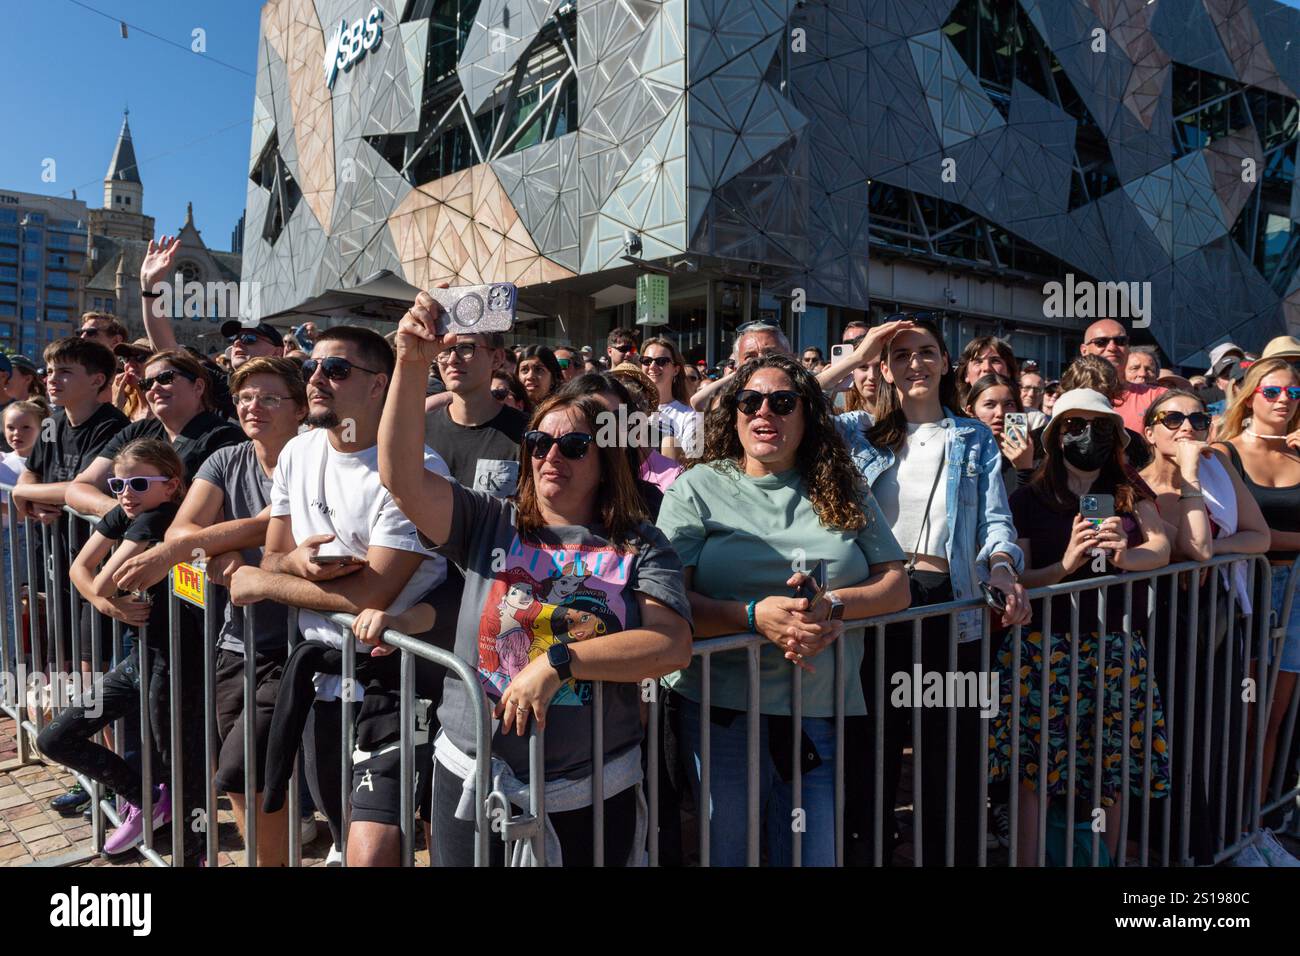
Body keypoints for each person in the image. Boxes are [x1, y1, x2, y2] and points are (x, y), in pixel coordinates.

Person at [381, 292, 694, 867]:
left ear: (607, 457)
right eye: (539, 442)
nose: (552, 455)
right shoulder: (488, 519)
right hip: (471, 771)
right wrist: (409, 360)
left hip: (587, 785)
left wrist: (557, 665)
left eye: (574, 445)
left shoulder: (638, 543)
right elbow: (401, 476)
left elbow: (670, 643)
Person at [657, 353, 909, 866]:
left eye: (782, 401)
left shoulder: (843, 486)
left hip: (817, 710)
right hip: (721, 711)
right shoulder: (696, 486)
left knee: (813, 854)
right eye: (749, 402)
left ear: (807, 415)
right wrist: (752, 617)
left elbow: (896, 585)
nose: (763, 413)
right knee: (729, 854)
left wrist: (833, 605)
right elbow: (668, 602)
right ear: (734, 414)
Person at [227, 327, 451, 868]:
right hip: (320, 677)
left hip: (398, 679)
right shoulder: (299, 452)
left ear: (379, 386)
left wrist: (265, 582)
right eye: (313, 368)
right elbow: (277, 552)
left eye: (338, 369)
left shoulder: (418, 472)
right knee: (339, 822)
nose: (318, 379)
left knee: (376, 848)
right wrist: (295, 565)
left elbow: (373, 592)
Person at [836, 317, 1028, 866]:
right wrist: (858, 355)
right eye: (900, 356)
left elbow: (996, 521)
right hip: (877, 601)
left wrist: (1001, 566)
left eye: (926, 352)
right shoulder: (856, 431)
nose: (914, 363)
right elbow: (780, 400)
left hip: (951, 602)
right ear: (886, 369)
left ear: (947, 363)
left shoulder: (973, 436)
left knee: (952, 754)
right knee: (871, 751)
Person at [110, 358, 309, 867]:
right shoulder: (225, 458)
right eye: (244, 397)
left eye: (268, 398)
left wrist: (197, 550)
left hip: (304, 643)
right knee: (240, 780)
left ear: (300, 407)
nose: (252, 407)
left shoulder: (315, 457)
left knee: (258, 773)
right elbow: (181, 531)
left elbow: (274, 525)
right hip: (236, 640)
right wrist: (223, 554)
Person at [992, 388, 1172, 866]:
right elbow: (1019, 576)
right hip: (1040, 648)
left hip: (1113, 647)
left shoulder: (1128, 492)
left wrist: (1123, 555)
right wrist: (1067, 564)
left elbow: (1161, 549)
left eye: (1099, 427)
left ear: (1115, 438)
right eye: (1073, 425)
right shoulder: (1026, 497)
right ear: (1054, 436)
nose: (1086, 436)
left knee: (1109, 770)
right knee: (1036, 774)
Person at [37, 439, 196, 861]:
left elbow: (103, 577)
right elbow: (79, 569)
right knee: (56, 737)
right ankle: (146, 800)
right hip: (139, 659)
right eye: (119, 483)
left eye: (139, 483)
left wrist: (104, 596)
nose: (126, 493)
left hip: (175, 662)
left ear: (172, 486)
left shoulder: (156, 518)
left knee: (177, 762)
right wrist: (107, 605)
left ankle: (192, 847)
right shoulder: (129, 510)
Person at [1139, 388, 1270, 865]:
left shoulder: (1219, 469)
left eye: (1198, 420)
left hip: (1213, 614)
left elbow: (1260, 536)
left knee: (1215, 728)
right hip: (1154, 617)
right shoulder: (1134, 483)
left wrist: (1221, 550)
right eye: (1172, 418)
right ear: (1149, 430)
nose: (1187, 429)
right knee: (1164, 731)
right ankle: (1164, 842)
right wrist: (1190, 481)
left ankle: (1216, 839)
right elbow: (1190, 549)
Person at [1212, 357, 1300, 866]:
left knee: (1271, 722)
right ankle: (1225, 832)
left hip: (1295, 594)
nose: (1284, 400)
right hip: (1248, 595)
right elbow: (1236, 533)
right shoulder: (1225, 453)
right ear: (1249, 396)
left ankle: (1253, 828)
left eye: (1293, 393)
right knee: (1240, 720)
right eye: (1272, 392)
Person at [65, 349, 243, 519]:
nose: (155, 388)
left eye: (166, 378)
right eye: (146, 383)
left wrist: (144, 516)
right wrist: (121, 511)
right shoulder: (137, 431)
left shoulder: (225, 438)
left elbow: (218, 512)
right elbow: (78, 488)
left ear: (198, 386)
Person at [1079, 318, 1165, 431]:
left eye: (1120, 341)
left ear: (1127, 348)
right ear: (1084, 351)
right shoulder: (1068, 397)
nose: (1112, 347)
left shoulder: (1158, 397)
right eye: (1101, 342)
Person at [689, 322, 793, 412]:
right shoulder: (736, 398)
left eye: (770, 354)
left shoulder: (803, 391)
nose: (760, 361)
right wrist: (738, 374)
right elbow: (698, 403)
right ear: (738, 365)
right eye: (750, 357)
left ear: (790, 357)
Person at [963, 373, 1035, 494]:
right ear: (970, 411)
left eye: (1009, 404)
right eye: (989, 405)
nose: (1000, 413)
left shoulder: (1034, 456)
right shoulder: (959, 455)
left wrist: (1025, 469)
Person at [639, 336, 699, 461]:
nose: (652, 366)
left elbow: (691, 464)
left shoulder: (689, 416)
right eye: (646, 361)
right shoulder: (629, 407)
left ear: (676, 370)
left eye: (662, 361)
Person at [954, 336, 1019, 399]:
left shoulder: (1024, 410)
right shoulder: (949, 410)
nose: (987, 368)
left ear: (1009, 372)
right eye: (978, 362)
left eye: (995, 361)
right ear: (966, 374)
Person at [220, 321, 285, 369]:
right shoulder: (221, 386)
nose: (236, 342)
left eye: (248, 337)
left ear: (277, 352)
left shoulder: (288, 386)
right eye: (234, 338)